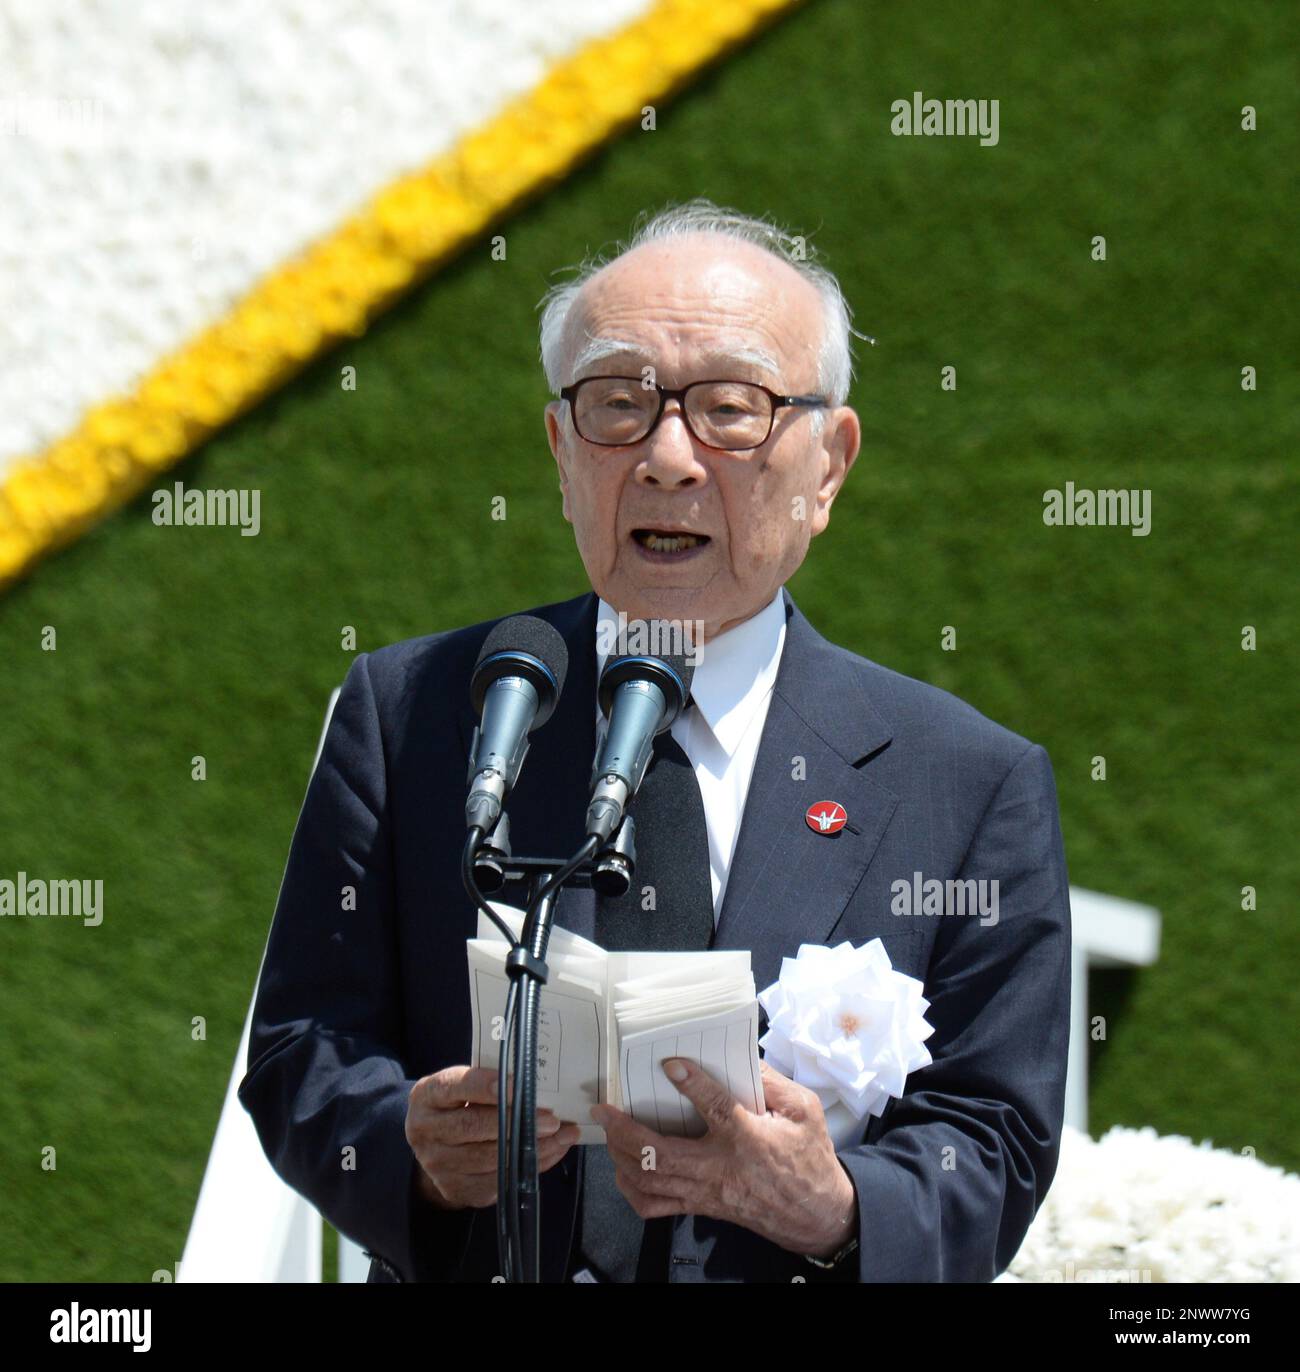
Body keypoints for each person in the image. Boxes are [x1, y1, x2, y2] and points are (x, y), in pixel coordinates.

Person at [238, 199, 1072, 1283]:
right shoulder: (419, 710)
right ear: (559, 449)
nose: (669, 457)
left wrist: (834, 1204)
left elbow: (994, 1139)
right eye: (617, 405)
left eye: (730, 409)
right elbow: (303, 1049)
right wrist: (413, 1142)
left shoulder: (962, 782)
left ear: (827, 464)